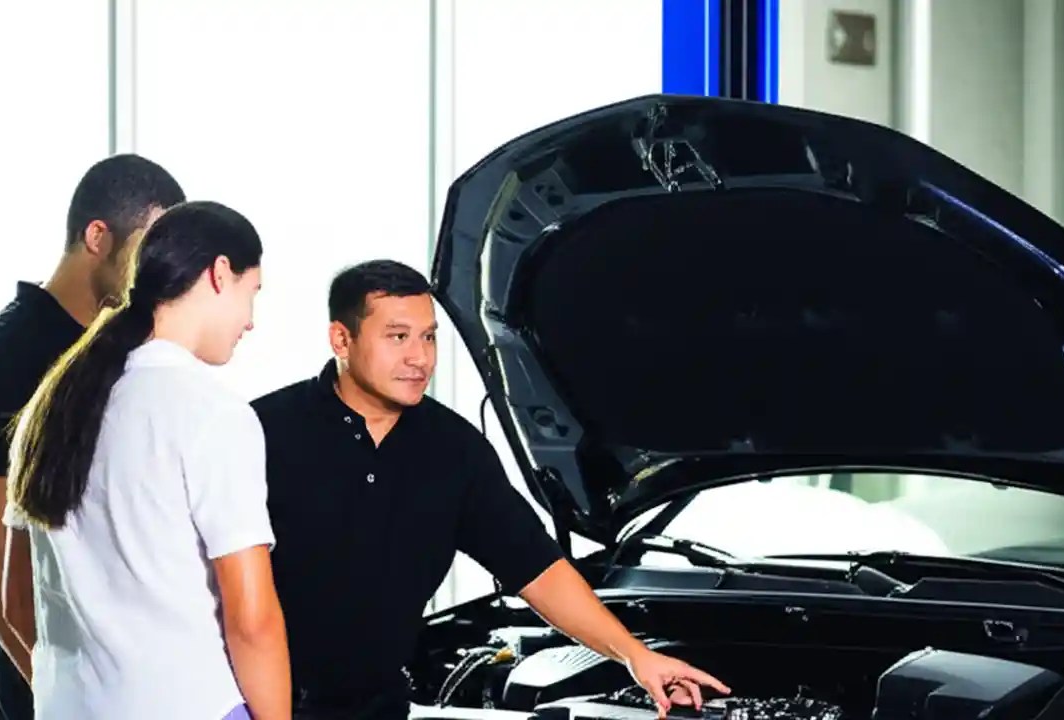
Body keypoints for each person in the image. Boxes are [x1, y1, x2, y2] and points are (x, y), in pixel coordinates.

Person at [251, 260, 730, 720]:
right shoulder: (260, 433)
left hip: (381, 710)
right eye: (398, 337)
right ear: (342, 338)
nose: (420, 358)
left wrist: (635, 657)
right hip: (248, 706)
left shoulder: (454, 451)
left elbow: (538, 570)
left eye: (429, 337)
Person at [0, 200, 291, 719]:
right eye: (254, 293)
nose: (251, 321)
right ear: (220, 274)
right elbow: (252, 622)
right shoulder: (211, 412)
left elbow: (16, 603)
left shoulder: (49, 411)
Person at [0, 153, 185, 720]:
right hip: (56, 685)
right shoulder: (4, 359)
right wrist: (51, 689)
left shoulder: (117, 346)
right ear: (98, 236)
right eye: (146, 248)